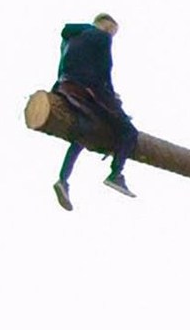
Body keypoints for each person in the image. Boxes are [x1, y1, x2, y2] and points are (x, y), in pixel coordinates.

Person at [51, 13, 138, 210]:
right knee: (129, 132)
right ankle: (116, 174)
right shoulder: (101, 36)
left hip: (65, 86)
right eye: (111, 31)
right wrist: (114, 101)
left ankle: (63, 179)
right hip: (88, 90)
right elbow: (104, 71)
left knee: (84, 133)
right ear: (104, 26)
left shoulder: (71, 36)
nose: (111, 36)